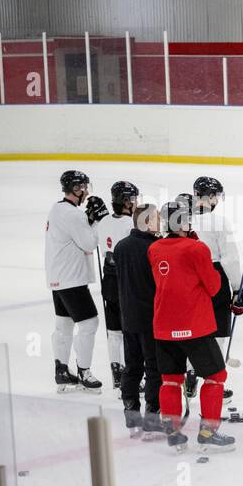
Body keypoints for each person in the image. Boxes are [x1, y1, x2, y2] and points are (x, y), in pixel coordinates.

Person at [149, 200, 236, 453]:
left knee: (170, 379)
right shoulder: (197, 248)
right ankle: (208, 431)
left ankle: (174, 432)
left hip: (164, 326)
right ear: (184, 221)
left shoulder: (154, 249)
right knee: (216, 376)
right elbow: (214, 286)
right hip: (194, 326)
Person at [45, 170, 103, 392]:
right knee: (90, 323)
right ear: (77, 189)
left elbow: (73, 233)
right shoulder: (73, 214)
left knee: (63, 325)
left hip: (57, 277)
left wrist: (87, 220)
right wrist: (96, 221)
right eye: (84, 187)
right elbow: (88, 243)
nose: (86, 191)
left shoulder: (57, 208)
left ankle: (61, 371)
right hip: (72, 279)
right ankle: (84, 371)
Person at [113, 204, 164, 439]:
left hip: (128, 317)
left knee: (133, 366)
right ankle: (152, 417)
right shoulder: (154, 247)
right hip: (150, 318)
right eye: (155, 219)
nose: (160, 222)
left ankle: (131, 414)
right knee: (154, 368)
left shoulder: (121, 247)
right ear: (146, 222)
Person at [189, 176, 241, 400]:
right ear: (210, 197)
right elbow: (230, 259)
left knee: (193, 330)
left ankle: (190, 375)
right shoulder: (219, 222)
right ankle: (215, 383)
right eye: (216, 196)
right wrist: (239, 288)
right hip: (215, 277)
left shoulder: (183, 219)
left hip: (190, 282)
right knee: (217, 333)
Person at [96, 179, 139, 389]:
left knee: (113, 330)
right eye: (133, 199)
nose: (136, 202)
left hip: (109, 280)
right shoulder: (130, 225)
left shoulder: (103, 222)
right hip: (126, 282)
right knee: (129, 330)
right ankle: (130, 377)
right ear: (126, 201)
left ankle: (117, 372)